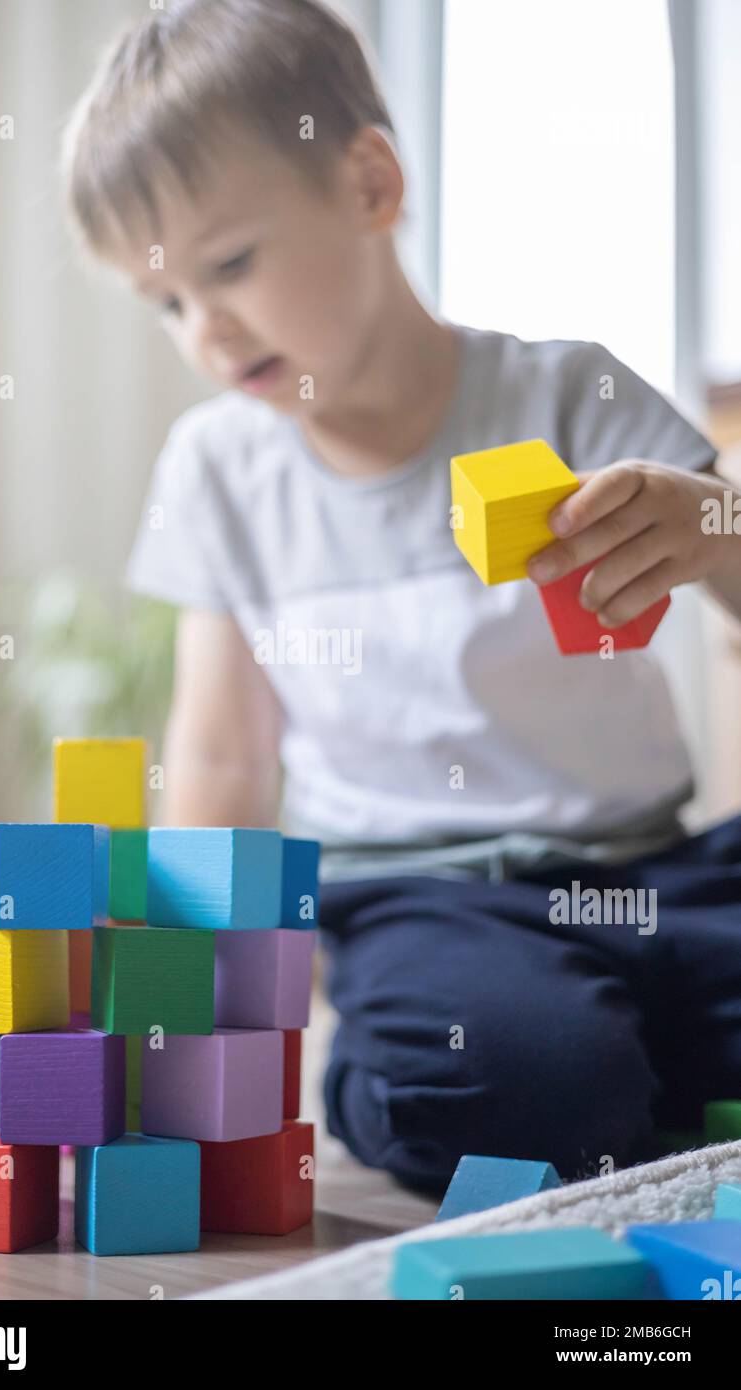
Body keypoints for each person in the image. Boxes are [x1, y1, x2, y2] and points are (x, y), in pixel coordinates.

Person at [61, 0, 741, 1190]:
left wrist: (711, 525)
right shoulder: (221, 469)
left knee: (596, 1052)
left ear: (369, 182)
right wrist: (180, 1000)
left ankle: (641, 1066)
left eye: (228, 265)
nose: (205, 331)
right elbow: (221, 762)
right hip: (421, 900)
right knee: (517, 1083)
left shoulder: (565, 393)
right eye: (164, 302)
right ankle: (527, 1071)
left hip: (653, 868)